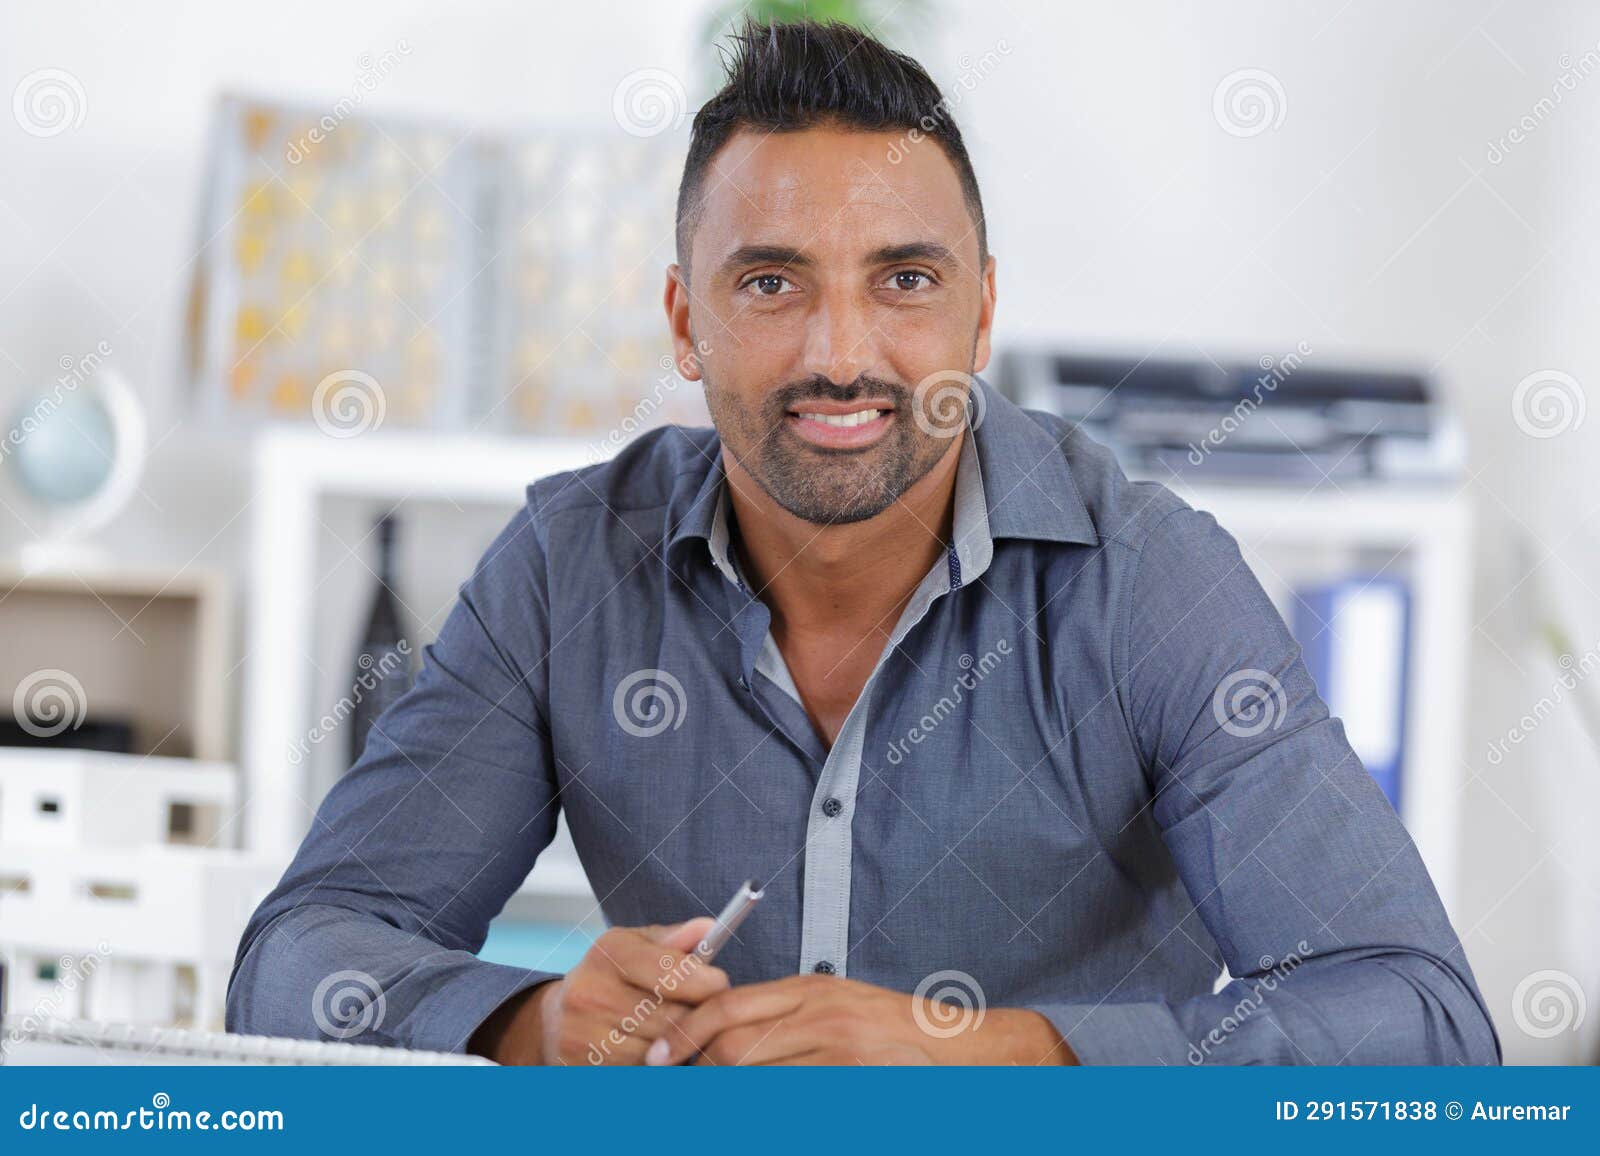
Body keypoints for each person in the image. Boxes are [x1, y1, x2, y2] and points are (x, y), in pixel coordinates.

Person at [228, 19, 1499, 1066]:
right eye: (771, 283)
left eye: (904, 280)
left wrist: (989, 1055)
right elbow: (300, 955)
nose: (840, 353)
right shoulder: (568, 568)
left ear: (981, 311)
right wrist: (534, 1018)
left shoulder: (1148, 581)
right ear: (685, 320)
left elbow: (1423, 1023)